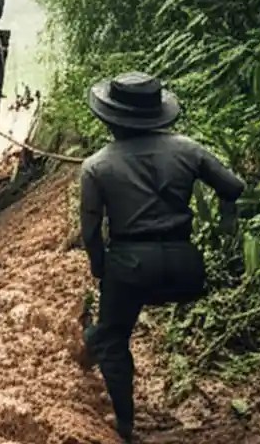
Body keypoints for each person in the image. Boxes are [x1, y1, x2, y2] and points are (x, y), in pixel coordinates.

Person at [78, 72, 244, 442]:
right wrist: (227, 233)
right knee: (110, 327)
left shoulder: (96, 166)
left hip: (130, 267)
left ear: (109, 119)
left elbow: (91, 230)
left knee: (112, 336)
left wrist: (100, 267)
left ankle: (123, 425)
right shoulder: (190, 149)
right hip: (186, 268)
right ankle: (93, 341)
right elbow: (233, 188)